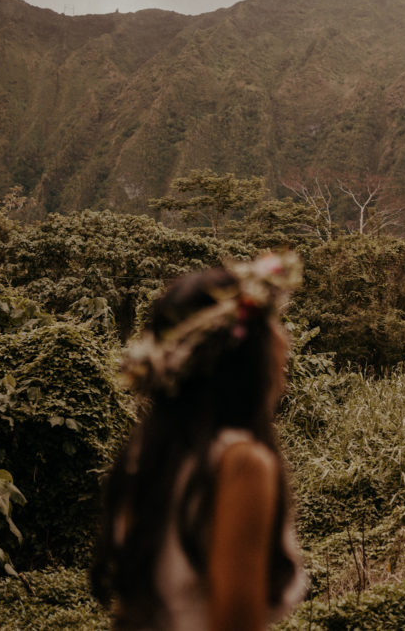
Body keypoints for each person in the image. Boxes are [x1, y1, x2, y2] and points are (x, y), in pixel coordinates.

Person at [91, 252, 306, 630]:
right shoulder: (240, 463)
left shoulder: (144, 456)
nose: (282, 339)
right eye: (272, 323)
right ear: (244, 353)